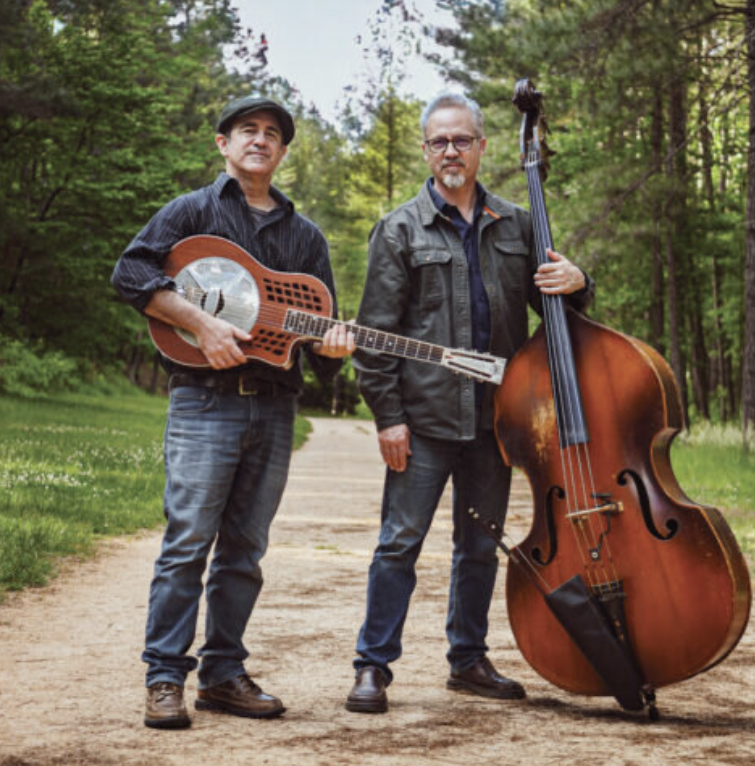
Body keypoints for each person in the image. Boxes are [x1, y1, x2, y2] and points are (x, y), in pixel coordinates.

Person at [344, 91, 595, 713]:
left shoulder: (518, 223)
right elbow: (374, 337)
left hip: (497, 424)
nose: (450, 151)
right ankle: (373, 666)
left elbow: (560, 315)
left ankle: (468, 660)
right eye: (439, 141)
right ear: (426, 151)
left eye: (462, 139)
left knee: (479, 547)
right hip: (423, 423)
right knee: (399, 544)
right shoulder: (400, 228)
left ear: (482, 147)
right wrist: (389, 419)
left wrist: (580, 282)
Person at [111, 95, 355, 730]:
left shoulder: (305, 237)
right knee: (188, 541)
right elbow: (130, 272)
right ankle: (164, 677)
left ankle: (222, 676)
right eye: (248, 129)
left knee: (245, 550)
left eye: (273, 134)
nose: (260, 140)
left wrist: (335, 349)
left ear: (282, 152)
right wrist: (199, 323)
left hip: (274, 409)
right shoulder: (192, 213)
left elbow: (321, 359)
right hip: (203, 402)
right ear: (223, 143)